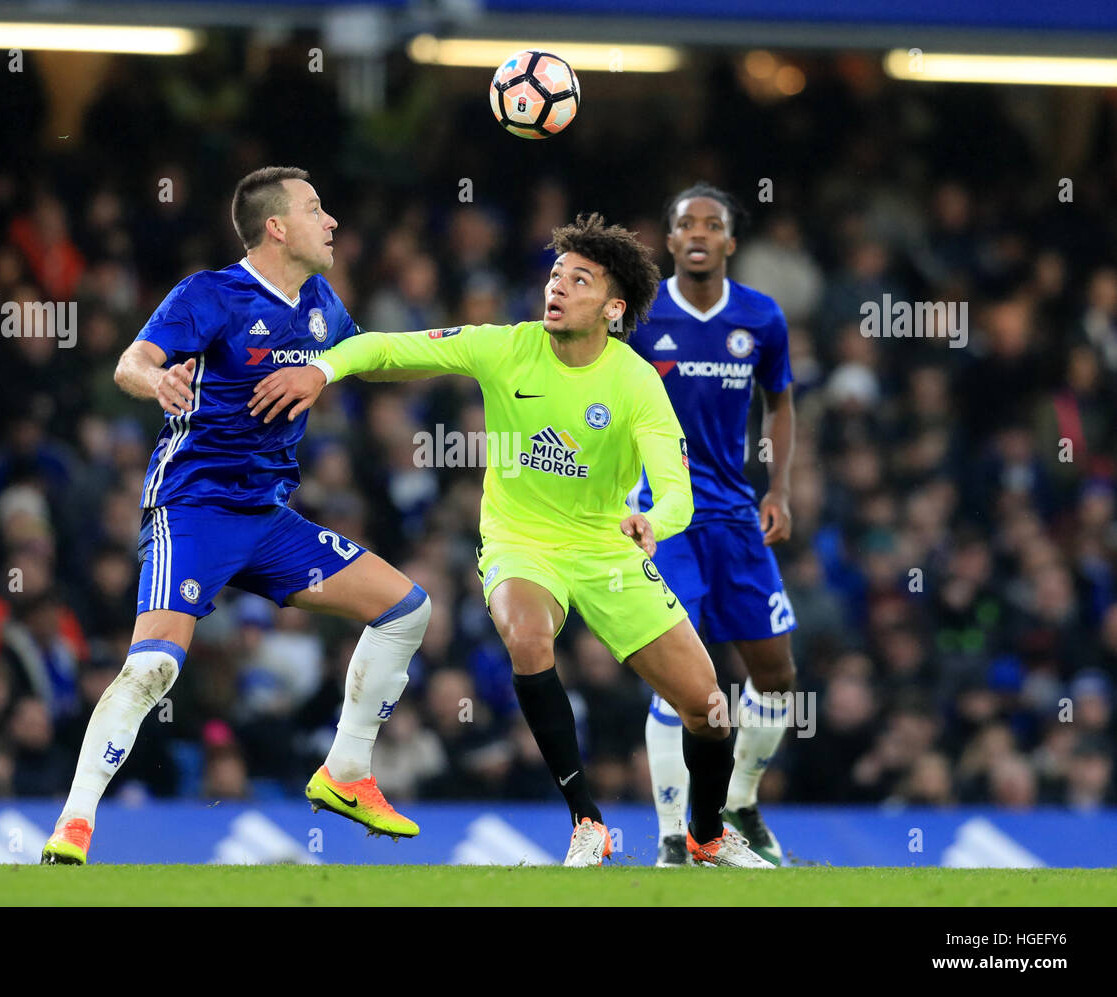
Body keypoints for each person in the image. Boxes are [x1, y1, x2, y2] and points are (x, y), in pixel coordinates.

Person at [250, 213, 771, 868]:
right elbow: (385, 349)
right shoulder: (506, 347)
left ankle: (705, 836)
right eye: (556, 274)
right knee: (527, 636)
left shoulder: (636, 382)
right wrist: (323, 371)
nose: (558, 287)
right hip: (520, 542)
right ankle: (587, 821)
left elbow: (678, 491)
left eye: (579, 279)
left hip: (607, 548)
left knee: (709, 708)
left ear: (612, 307)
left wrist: (653, 522)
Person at [41, 167, 430, 864]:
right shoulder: (210, 294)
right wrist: (156, 378)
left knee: (408, 608)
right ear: (276, 226)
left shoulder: (320, 302)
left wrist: (476, 353)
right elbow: (131, 360)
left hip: (268, 518)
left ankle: (344, 773)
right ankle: (73, 824)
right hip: (194, 506)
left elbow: (370, 356)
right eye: (316, 208)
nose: (332, 221)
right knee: (155, 666)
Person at [630, 183, 797, 866]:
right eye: (685, 223)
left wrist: (780, 487)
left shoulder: (761, 317)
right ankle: (675, 833)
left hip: (734, 515)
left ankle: (739, 800)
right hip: (662, 517)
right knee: (686, 677)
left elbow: (781, 403)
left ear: (731, 241)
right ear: (668, 241)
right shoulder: (639, 315)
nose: (698, 232)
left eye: (713, 223)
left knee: (778, 675)